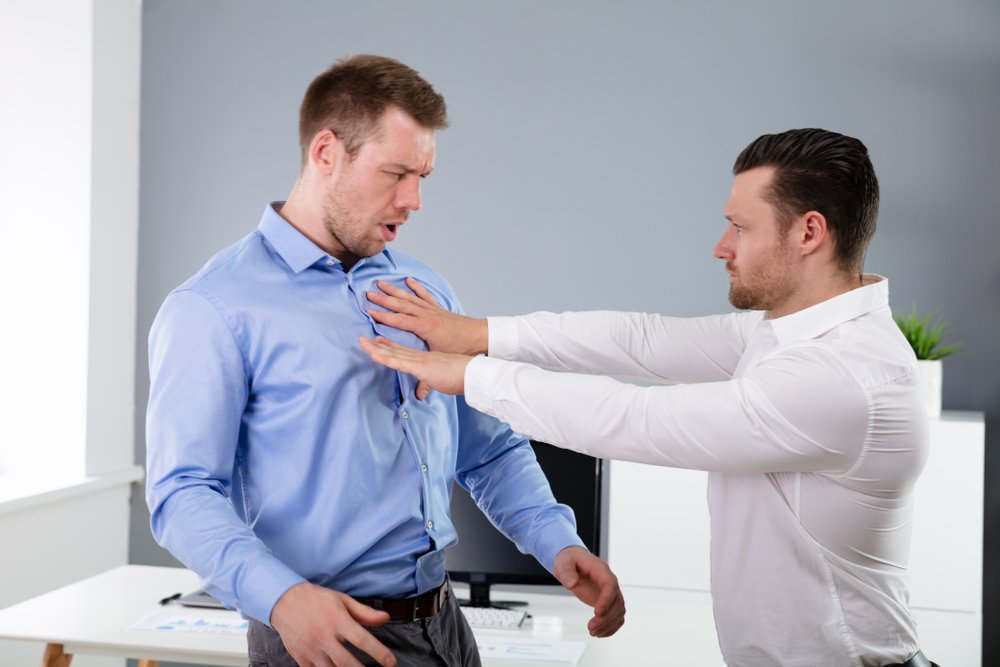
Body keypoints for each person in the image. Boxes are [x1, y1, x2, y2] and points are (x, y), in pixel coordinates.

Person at [359, 128, 939, 667]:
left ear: (809, 233)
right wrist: (482, 333)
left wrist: (470, 373)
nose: (721, 246)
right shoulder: (789, 333)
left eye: (741, 227)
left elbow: (637, 420)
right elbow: (640, 339)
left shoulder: (841, 377)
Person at [145, 54, 625, 667]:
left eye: (423, 176)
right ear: (326, 153)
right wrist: (283, 600)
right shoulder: (213, 306)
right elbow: (182, 491)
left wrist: (556, 541)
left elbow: (487, 445)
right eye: (395, 173)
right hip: (325, 636)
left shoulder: (425, 290)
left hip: (445, 625)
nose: (415, 199)